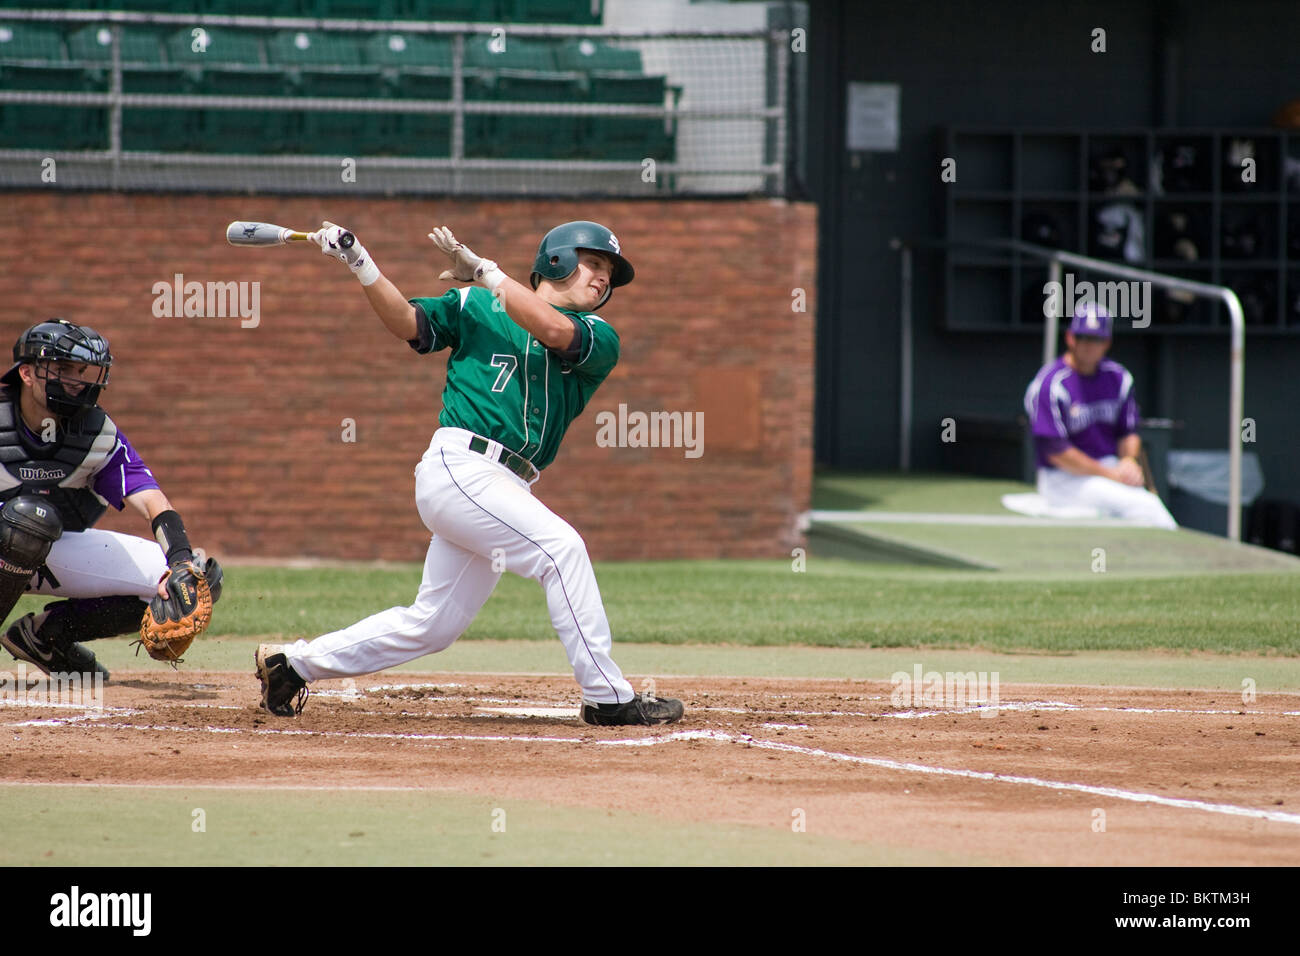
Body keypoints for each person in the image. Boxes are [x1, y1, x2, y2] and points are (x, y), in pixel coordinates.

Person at [254, 220, 684, 726]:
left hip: (507, 482)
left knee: (433, 626)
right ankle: (608, 698)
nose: (602, 279)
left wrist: (485, 271)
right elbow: (407, 323)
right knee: (562, 550)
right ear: (558, 261)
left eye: (608, 272)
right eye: (593, 263)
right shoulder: (474, 304)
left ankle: (292, 665)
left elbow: (551, 329)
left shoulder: (598, 336)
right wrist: (359, 261)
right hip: (462, 466)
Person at [0, 319, 220, 680]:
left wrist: (180, 562)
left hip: (45, 548)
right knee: (28, 521)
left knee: (198, 579)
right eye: (61, 368)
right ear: (27, 373)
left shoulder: (94, 432)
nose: (74, 379)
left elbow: (152, 501)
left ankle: (44, 637)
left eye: (80, 370)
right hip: (14, 536)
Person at [1024, 303, 1177, 528]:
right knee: (1147, 507)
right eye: (1083, 337)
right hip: (1063, 479)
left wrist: (1127, 461)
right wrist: (1110, 474)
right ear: (1070, 338)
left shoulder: (1117, 377)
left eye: (1095, 339)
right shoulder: (1051, 383)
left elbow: (1128, 431)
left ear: (1107, 342)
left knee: (1142, 505)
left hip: (1107, 471)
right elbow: (1056, 452)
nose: (1088, 346)